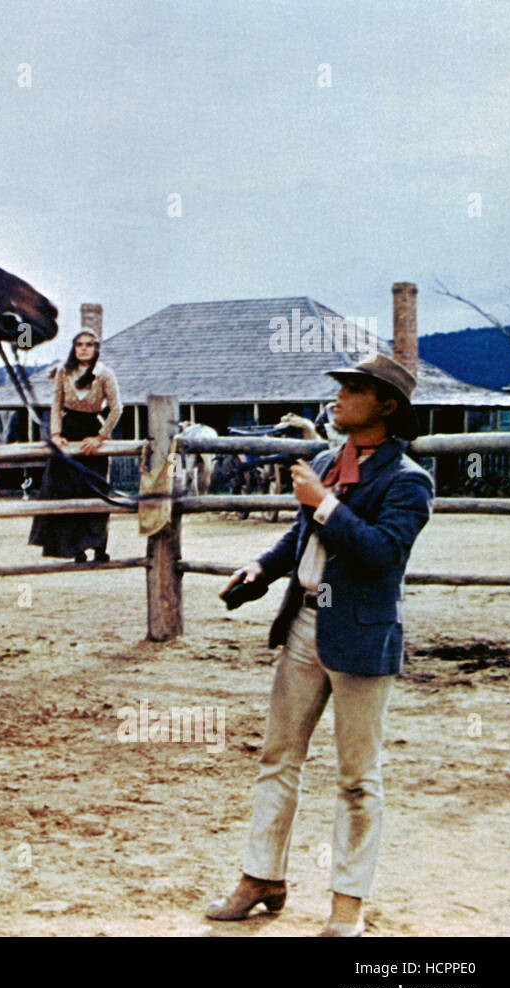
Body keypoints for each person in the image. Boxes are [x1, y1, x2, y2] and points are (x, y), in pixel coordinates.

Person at [206, 353, 433, 937]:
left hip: (360, 636)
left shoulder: (408, 481)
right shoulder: (331, 460)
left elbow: (382, 555)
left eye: (354, 390)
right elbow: (301, 535)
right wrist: (261, 567)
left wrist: (325, 504)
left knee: (358, 778)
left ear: (386, 406)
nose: (338, 399)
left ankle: (347, 906)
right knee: (277, 758)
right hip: (304, 626)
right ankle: (261, 878)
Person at [28, 330, 122, 562]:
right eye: (79, 344)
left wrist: (100, 437)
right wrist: (56, 433)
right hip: (68, 430)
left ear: (96, 348)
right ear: (73, 347)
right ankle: (73, 548)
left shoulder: (104, 373)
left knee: (95, 489)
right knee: (65, 489)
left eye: (89, 345)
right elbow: (56, 403)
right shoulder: (63, 371)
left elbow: (117, 407)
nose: (84, 348)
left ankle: (99, 546)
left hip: (91, 429)